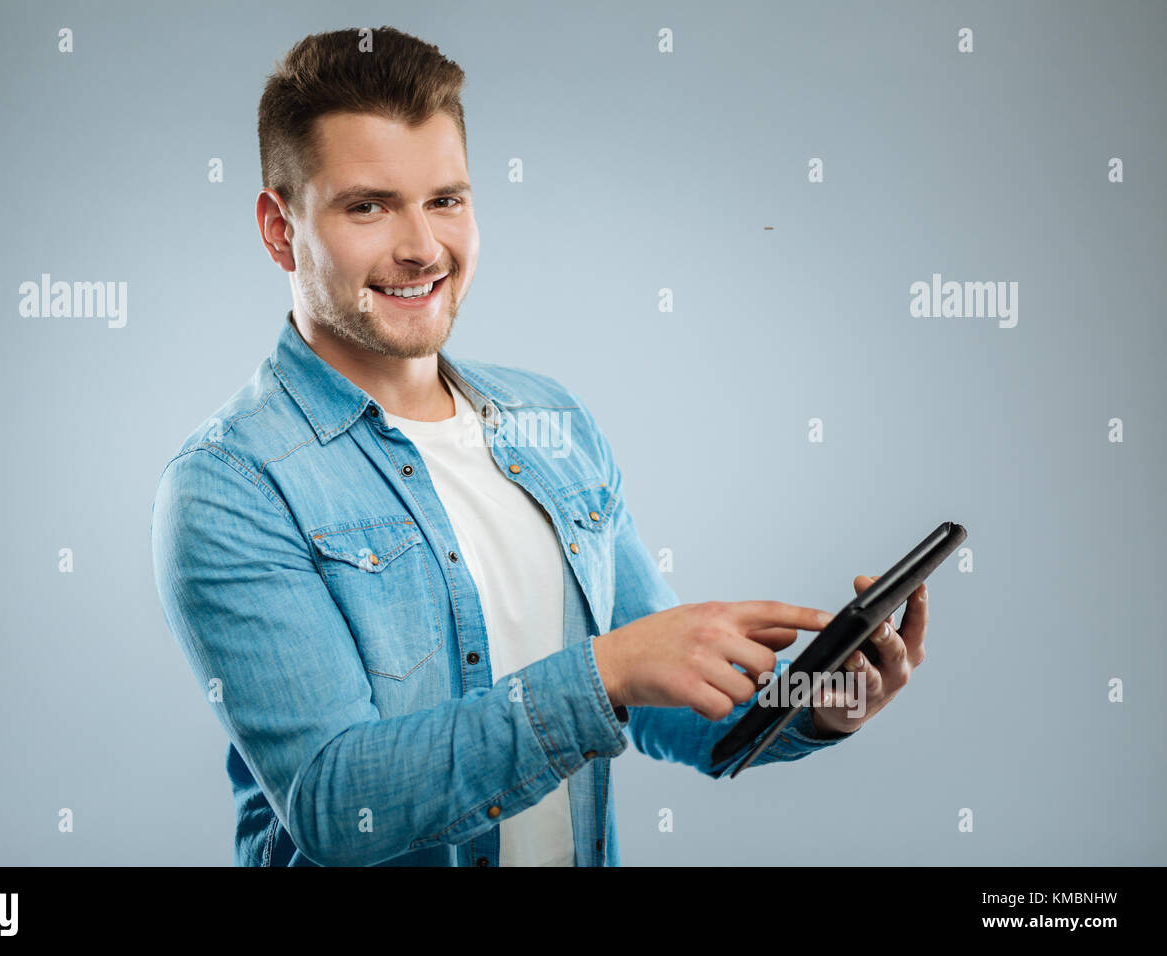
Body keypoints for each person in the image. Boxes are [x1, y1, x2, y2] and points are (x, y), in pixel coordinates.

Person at [150, 25, 929, 867]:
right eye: (367, 206)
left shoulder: (548, 421)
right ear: (279, 229)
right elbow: (340, 806)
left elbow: (665, 704)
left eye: (445, 199)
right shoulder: (231, 484)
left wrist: (819, 703)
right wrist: (604, 672)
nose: (422, 247)